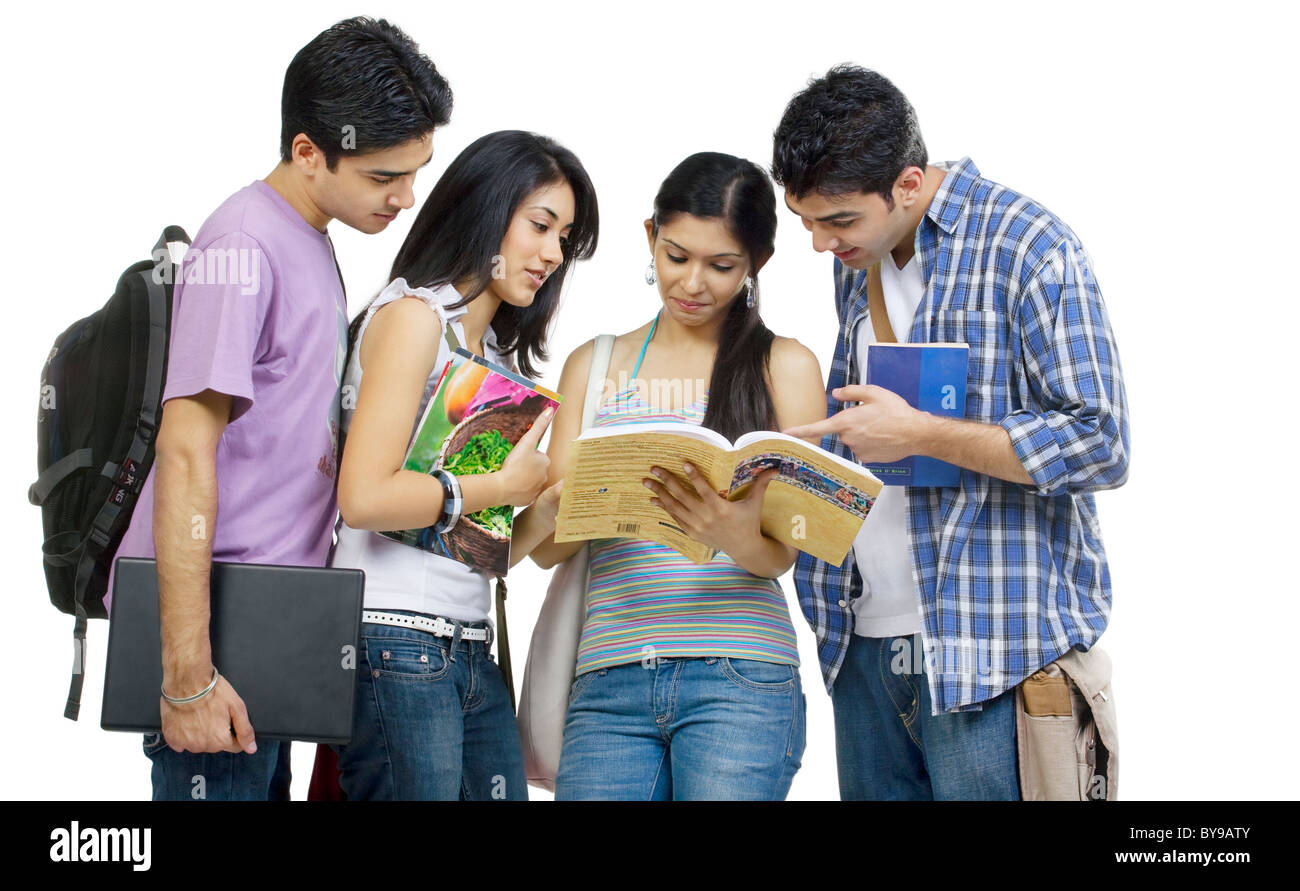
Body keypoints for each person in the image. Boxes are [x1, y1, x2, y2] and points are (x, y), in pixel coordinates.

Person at [107, 16, 453, 801]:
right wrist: (189, 676)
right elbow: (186, 450)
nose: (405, 197)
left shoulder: (307, 236)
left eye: (414, 172)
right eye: (383, 177)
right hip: (218, 639)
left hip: (270, 632)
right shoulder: (244, 243)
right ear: (307, 150)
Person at [772, 65, 1130, 800]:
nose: (818, 243)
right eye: (805, 221)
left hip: (991, 655)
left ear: (907, 185)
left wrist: (924, 433)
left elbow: (1102, 439)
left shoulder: (1029, 245)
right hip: (863, 645)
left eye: (837, 221)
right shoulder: (858, 261)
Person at [522, 152, 828, 801]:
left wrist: (731, 531)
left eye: (721, 266)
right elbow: (549, 551)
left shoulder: (786, 365)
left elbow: (788, 550)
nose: (692, 283)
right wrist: (559, 504)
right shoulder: (594, 363)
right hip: (608, 678)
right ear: (650, 238)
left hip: (740, 675)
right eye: (676, 255)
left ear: (757, 263)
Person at [328, 130, 599, 801]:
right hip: (391, 634)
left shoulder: (499, 364)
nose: (552, 253)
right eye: (540, 225)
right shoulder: (415, 317)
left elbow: (485, 549)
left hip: (469, 641)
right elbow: (363, 496)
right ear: (485, 207)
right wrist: (502, 484)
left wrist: (558, 501)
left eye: (565, 237)